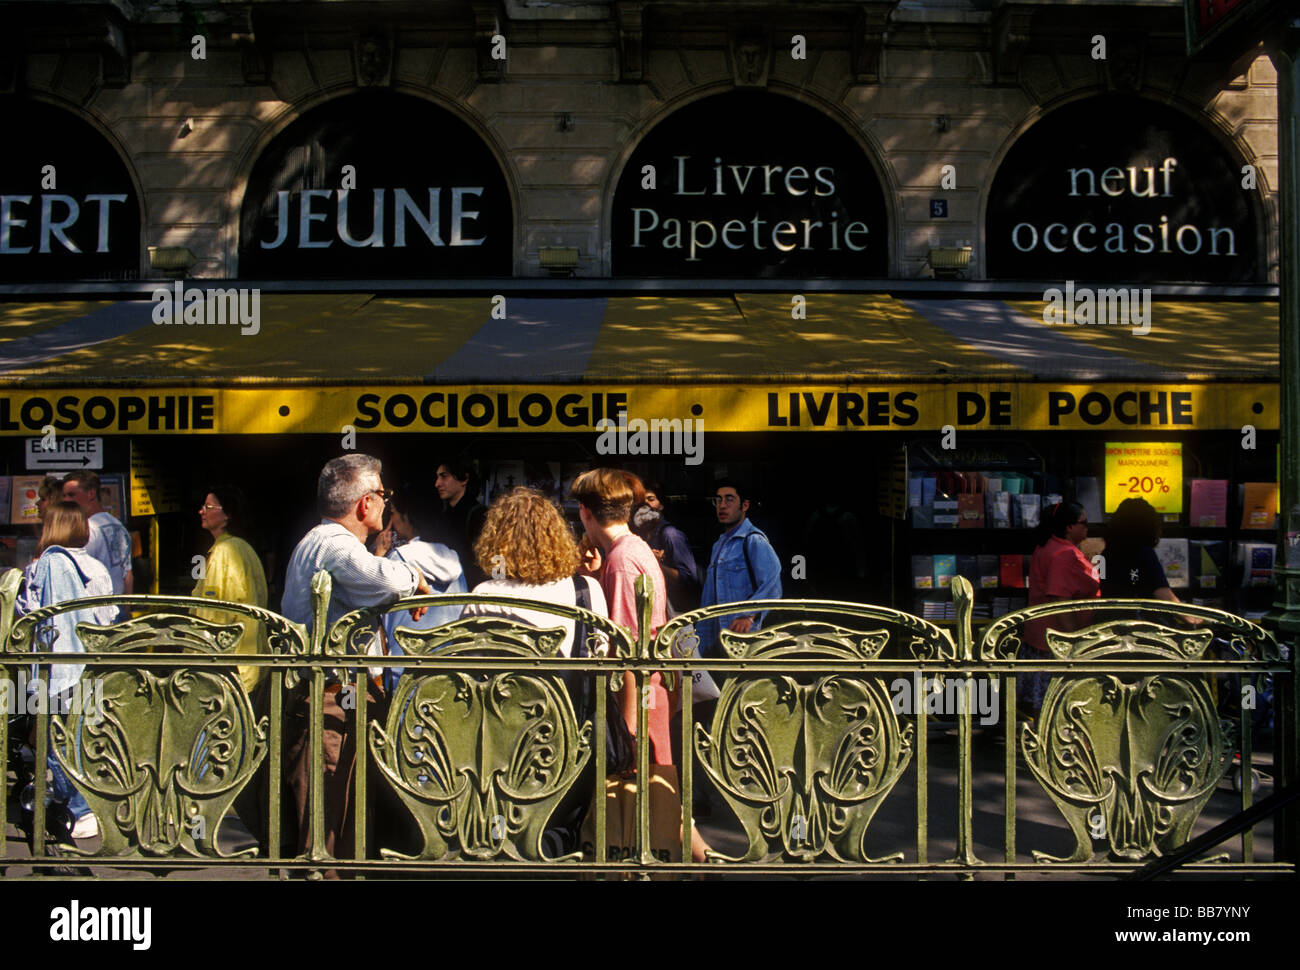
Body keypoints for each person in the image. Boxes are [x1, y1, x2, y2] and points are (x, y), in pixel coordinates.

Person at [280, 454, 431, 862]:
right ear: (366, 503)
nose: (386, 504)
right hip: (334, 698)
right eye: (383, 495)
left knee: (339, 807)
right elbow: (382, 579)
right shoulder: (335, 545)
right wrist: (414, 578)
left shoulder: (321, 540)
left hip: (335, 696)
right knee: (331, 812)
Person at [15, 501, 117, 842]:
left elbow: (30, 614)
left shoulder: (46, 564)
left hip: (57, 669)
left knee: (51, 741)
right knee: (82, 740)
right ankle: (82, 803)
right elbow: (108, 616)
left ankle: (79, 808)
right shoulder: (96, 566)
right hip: (90, 666)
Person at [460, 486, 608, 658]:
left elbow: (468, 658)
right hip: (568, 685)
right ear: (559, 537)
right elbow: (600, 652)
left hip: (502, 684)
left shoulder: (485, 593)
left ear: (496, 541)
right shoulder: (587, 589)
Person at [376, 485, 468, 692]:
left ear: (405, 517)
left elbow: (373, 606)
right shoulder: (453, 558)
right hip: (451, 672)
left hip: (407, 674)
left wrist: (379, 556)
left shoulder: (397, 558)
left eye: (393, 514)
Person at [1021, 500, 1101, 717]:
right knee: (1055, 706)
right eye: (1083, 522)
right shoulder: (1064, 554)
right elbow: (1059, 600)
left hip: (1040, 635)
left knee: (1041, 706)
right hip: (1056, 642)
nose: (1087, 527)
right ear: (1069, 527)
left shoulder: (1046, 545)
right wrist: (1074, 639)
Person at [192, 486, 269, 695]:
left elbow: (212, 617)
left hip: (223, 675)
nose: (202, 511)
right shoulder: (246, 550)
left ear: (227, 514)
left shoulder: (223, 554)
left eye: (208, 506)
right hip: (247, 669)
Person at [697, 479, 783, 659]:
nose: (722, 505)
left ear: (744, 505)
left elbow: (773, 585)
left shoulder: (753, 540)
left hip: (744, 639)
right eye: (718, 500)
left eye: (729, 499)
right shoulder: (719, 544)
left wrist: (749, 615)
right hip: (716, 640)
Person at [61, 471, 132, 607]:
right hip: (116, 606)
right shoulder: (118, 526)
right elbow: (127, 574)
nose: (66, 500)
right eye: (64, 496)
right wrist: (126, 609)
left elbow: (74, 575)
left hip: (94, 609)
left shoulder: (86, 529)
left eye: (71, 495)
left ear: (91, 494)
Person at [631, 483, 701, 615]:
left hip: (678, 614)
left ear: (661, 505)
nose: (645, 504)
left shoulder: (671, 535)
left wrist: (654, 563)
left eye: (650, 499)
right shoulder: (643, 535)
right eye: (641, 501)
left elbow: (688, 579)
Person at [434, 460, 488, 588]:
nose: (437, 484)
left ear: (464, 479)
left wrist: (497, 588)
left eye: (444, 476)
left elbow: (497, 557)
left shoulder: (479, 515)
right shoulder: (443, 515)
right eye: (437, 477)